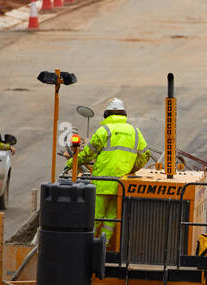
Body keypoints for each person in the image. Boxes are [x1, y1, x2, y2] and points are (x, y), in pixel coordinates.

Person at [65, 98, 151, 245]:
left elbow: (88, 154)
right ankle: (102, 246)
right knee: (111, 219)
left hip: (102, 183)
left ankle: (87, 247)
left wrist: (71, 163)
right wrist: (131, 169)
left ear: (107, 114)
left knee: (95, 217)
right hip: (121, 185)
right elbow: (145, 156)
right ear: (123, 114)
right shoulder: (135, 132)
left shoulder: (104, 130)